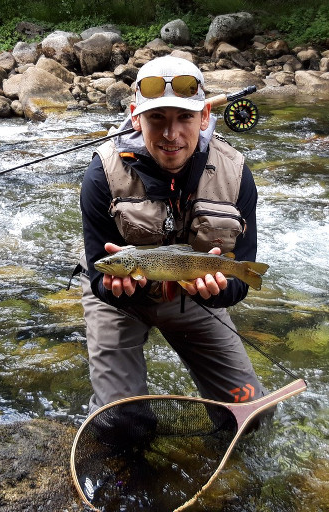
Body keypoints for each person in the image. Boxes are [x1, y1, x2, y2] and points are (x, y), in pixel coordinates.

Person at [79, 54, 266, 415]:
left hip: (191, 296)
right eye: (156, 118)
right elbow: (99, 273)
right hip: (121, 303)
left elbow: (241, 278)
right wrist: (113, 287)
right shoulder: (102, 174)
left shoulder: (236, 174)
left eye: (185, 117)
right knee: (123, 422)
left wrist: (220, 289)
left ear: (205, 116)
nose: (171, 134)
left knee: (250, 412)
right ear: (136, 116)